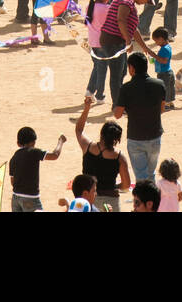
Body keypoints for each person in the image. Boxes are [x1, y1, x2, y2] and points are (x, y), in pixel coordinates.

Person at [97, 0, 157, 108]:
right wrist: (128, 42)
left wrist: (145, 48)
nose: (146, 2)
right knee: (117, 74)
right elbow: (121, 19)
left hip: (116, 41)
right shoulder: (127, 0)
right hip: (113, 41)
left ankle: (119, 102)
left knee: (122, 71)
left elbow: (134, 29)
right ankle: (117, 105)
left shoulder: (129, 1)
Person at [114, 51, 166, 184]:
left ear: (131, 68)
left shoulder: (126, 88)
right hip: (155, 136)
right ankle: (152, 201)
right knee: (150, 173)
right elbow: (162, 109)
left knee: (141, 176)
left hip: (136, 137)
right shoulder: (159, 84)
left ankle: (144, 202)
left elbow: (117, 114)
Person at [74, 97, 130, 213]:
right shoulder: (119, 157)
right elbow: (126, 184)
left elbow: (79, 130)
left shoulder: (88, 147)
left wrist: (87, 108)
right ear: (116, 139)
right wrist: (116, 186)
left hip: (87, 200)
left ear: (102, 134)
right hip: (110, 201)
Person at [9, 126, 65, 212]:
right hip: (31, 198)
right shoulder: (34, 152)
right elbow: (54, 155)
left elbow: (12, 181)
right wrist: (60, 141)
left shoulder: (14, 158)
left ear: (18, 143)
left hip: (15, 198)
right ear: (33, 142)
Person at [84, 0, 113, 102]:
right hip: (103, 43)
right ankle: (99, 95)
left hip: (92, 42)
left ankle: (90, 90)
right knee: (102, 70)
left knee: (97, 67)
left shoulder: (89, 6)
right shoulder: (106, 8)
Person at [151, 26, 175, 108]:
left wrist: (154, 56)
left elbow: (164, 61)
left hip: (164, 72)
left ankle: (166, 103)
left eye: (156, 40)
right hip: (167, 71)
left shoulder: (164, 49)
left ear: (161, 39)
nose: (155, 43)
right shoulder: (167, 47)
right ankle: (170, 102)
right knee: (170, 87)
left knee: (164, 88)